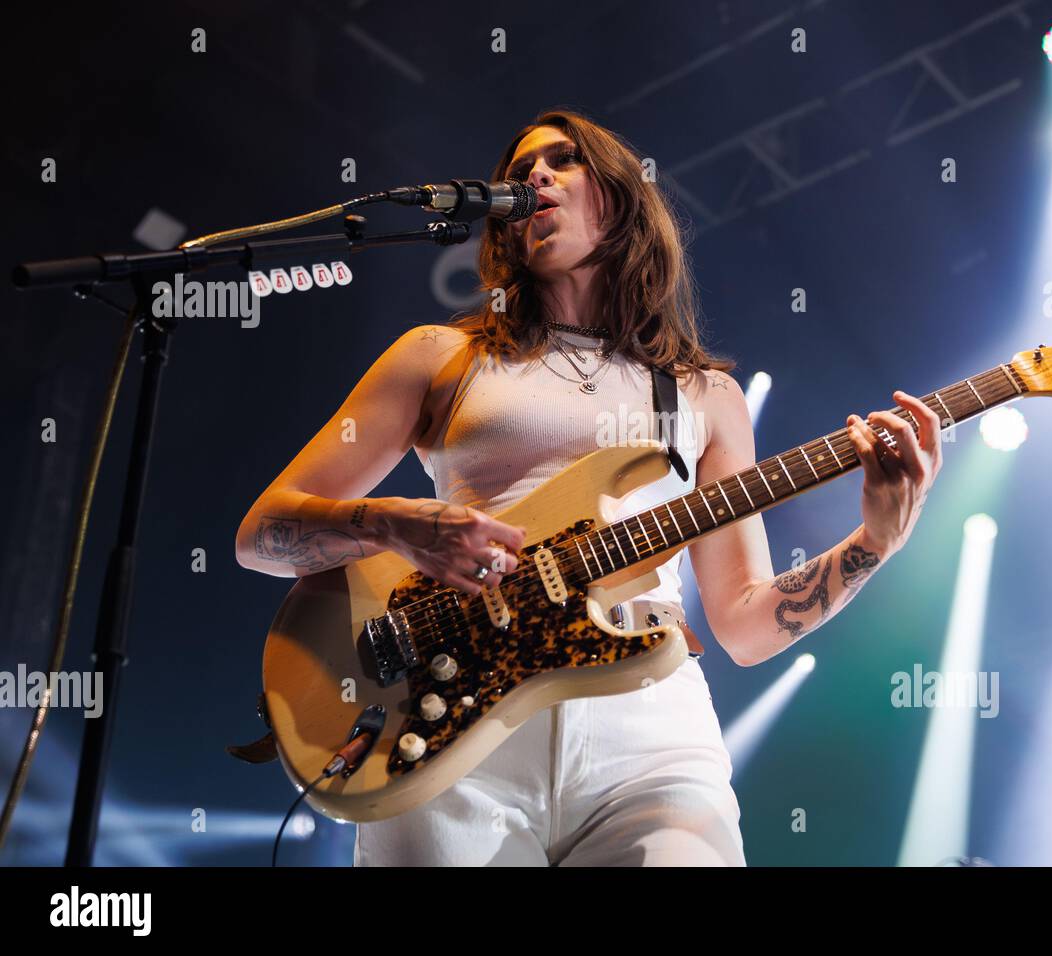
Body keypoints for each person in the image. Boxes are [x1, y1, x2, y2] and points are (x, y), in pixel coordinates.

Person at [234, 108, 943, 866]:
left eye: (563, 160)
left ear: (622, 195)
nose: (533, 177)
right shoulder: (441, 356)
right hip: (450, 721)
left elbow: (743, 624)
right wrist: (394, 525)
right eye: (519, 172)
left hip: (647, 732)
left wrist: (875, 542)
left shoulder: (703, 396)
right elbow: (261, 536)